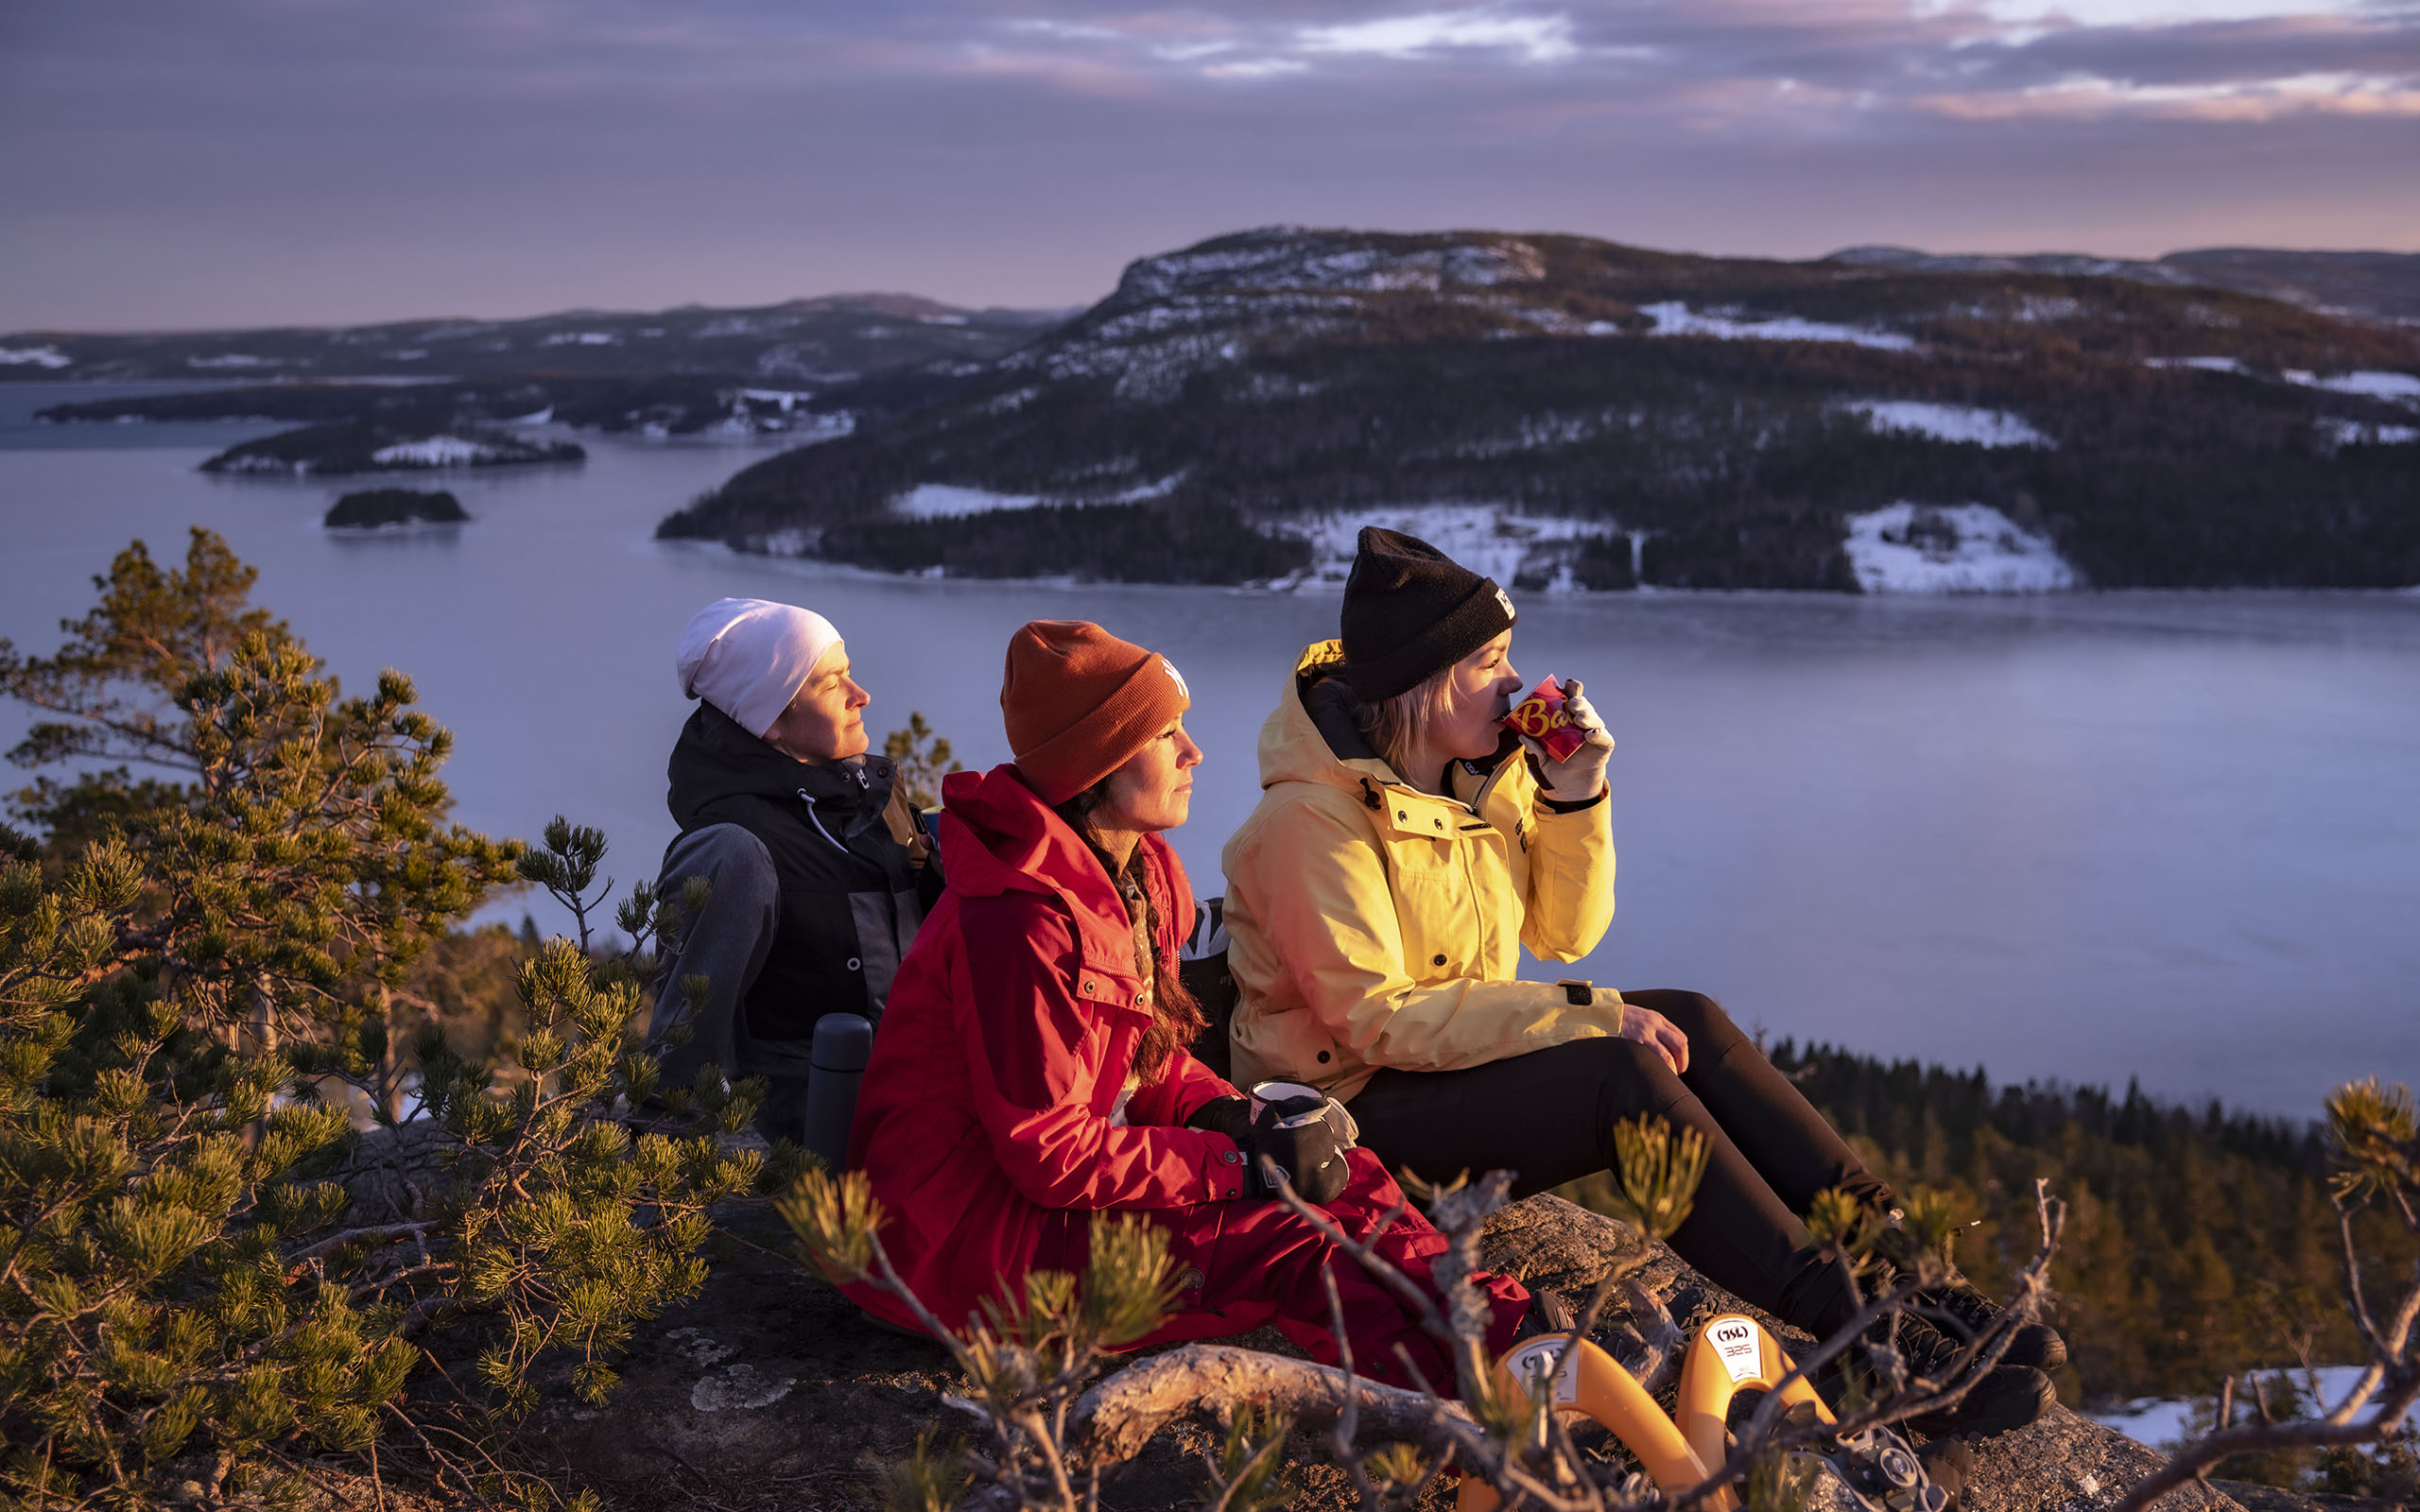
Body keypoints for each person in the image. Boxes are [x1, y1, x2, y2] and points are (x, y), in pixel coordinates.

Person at [1218, 527, 2064, 1433]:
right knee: (1618, 1078)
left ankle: (1914, 1277)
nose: (1515, 681)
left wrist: (1574, 793)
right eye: (1490, 661)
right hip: (1350, 1119)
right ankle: (1859, 1344)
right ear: (1423, 686)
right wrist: (1587, 1021)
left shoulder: (1475, 778)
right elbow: (1373, 1020)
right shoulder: (1311, 820)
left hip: (1443, 1064)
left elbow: (1563, 932)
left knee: (1691, 1019)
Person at [842, 619, 1532, 1385]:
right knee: (1290, 1247)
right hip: (960, 1242)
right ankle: (1481, 1416)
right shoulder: (1016, 919)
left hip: (1048, 1205)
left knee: (1352, 1172)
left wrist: (1239, 1119)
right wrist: (1237, 1163)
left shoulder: (1141, 875)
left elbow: (1150, 1062)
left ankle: (1515, 1335)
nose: (1193, 752)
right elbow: (1051, 1153)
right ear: (1095, 762)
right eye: (1165, 734)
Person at [647, 596, 942, 1140]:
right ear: (770, 722)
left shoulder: (871, 792)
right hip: (812, 1135)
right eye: (832, 685)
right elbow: (683, 1055)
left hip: (918, 1097)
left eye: (849, 673)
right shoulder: (734, 850)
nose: (862, 696)